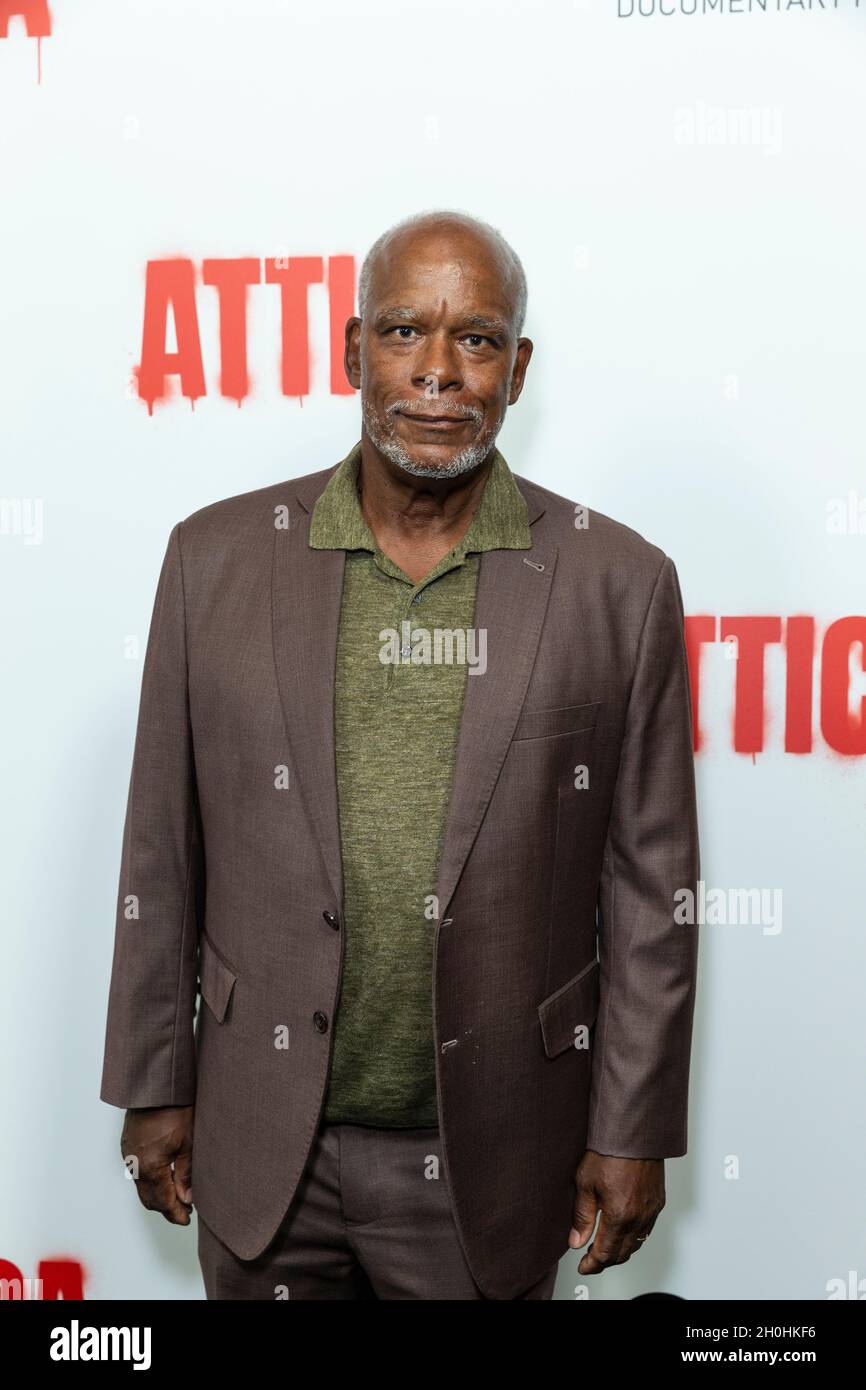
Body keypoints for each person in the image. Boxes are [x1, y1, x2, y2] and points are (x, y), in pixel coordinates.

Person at [100, 208, 700, 1300]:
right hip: (261, 1146)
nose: (435, 371)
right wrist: (155, 1082)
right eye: (400, 332)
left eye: (474, 339)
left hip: (491, 1163)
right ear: (349, 351)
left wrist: (633, 1127)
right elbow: (160, 854)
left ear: (516, 370)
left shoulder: (617, 582)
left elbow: (652, 893)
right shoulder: (214, 560)